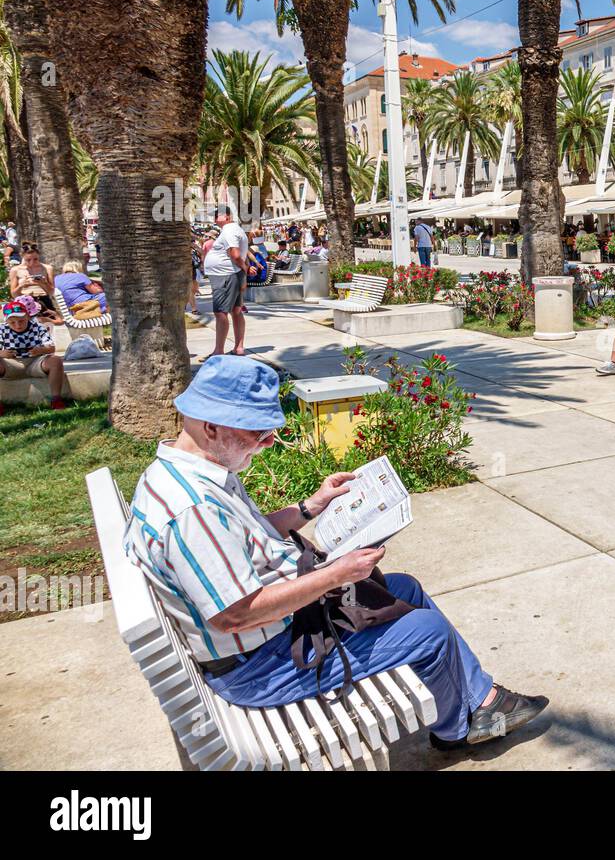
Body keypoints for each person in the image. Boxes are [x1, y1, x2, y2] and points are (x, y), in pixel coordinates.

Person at [123, 357, 548, 747]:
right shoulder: (192, 511)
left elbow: (241, 537)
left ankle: (483, 700)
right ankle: (456, 732)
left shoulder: (192, 472)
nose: (270, 441)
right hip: (258, 666)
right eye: (258, 431)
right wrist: (335, 574)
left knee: (405, 588)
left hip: (269, 636)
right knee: (428, 631)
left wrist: (310, 506)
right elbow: (236, 613)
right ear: (211, 426)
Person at [0, 297, 66, 412]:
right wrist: (2, 353)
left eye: (21, 321)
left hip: (34, 362)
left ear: (27, 316)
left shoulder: (38, 327)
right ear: (6, 321)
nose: (17, 325)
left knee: (55, 360)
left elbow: (51, 347)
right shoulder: (2, 329)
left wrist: (41, 350)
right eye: (12, 322)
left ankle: (56, 399)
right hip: (10, 365)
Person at [202, 216, 251, 361]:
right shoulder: (233, 230)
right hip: (229, 274)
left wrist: (244, 268)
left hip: (225, 275)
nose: (215, 218)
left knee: (220, 312)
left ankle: (219, 351)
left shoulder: (229, 230)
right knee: (236, 311)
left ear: (227, 217)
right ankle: (238, 347)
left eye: (219, 215)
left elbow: (235, 254)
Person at [8, 245, 61, 324]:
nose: (32, 263)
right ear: (22, 257)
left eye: (35, 259)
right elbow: (14, 294)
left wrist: (43, 283)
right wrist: (21, 285)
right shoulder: (15, 270)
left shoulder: (47, 268)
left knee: (48, 327)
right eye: (28, 260)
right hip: (25, 302)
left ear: (39, 256)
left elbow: (51, 292)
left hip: (43, 301)